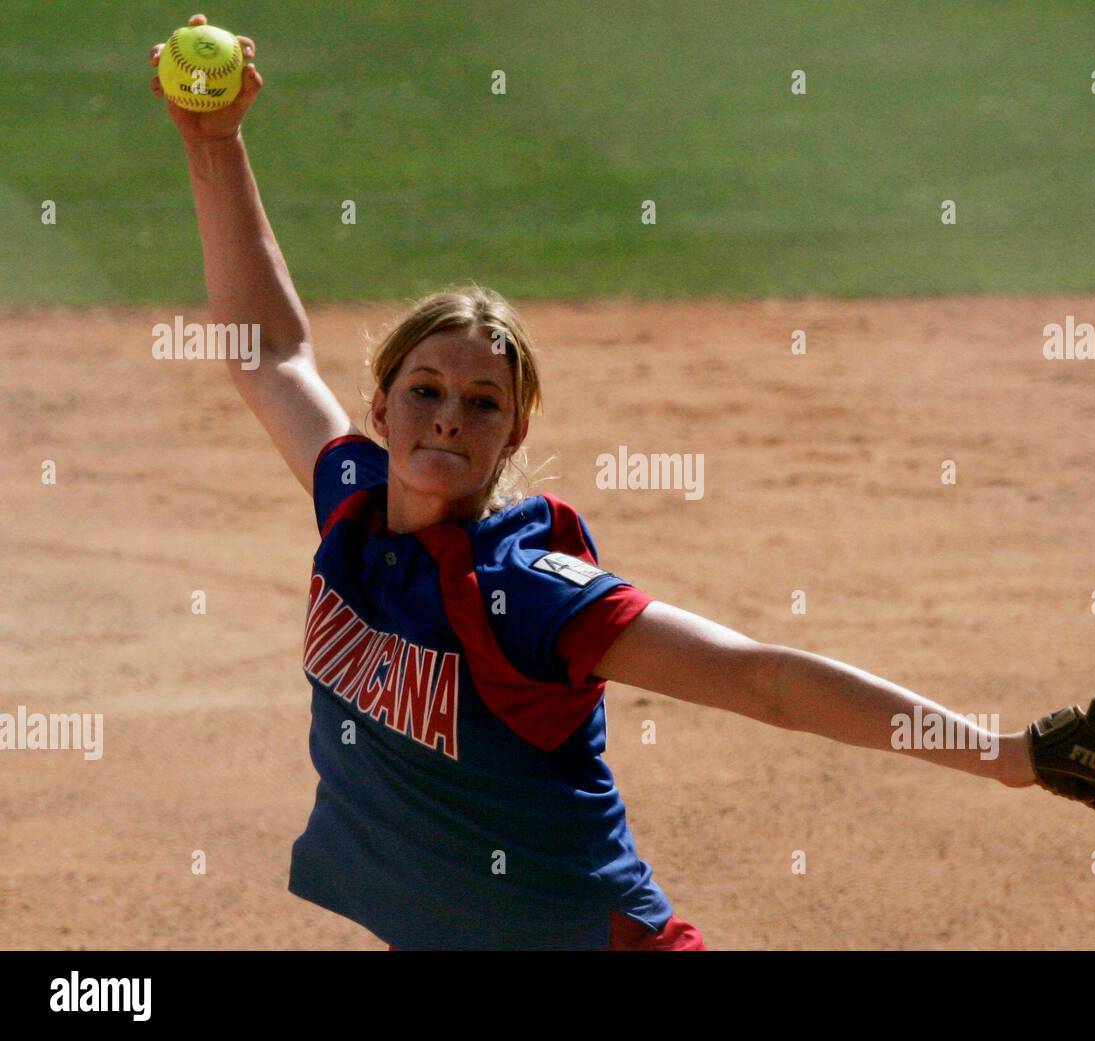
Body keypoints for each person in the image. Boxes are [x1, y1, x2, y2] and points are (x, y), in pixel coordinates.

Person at [151, 14, 1037, 952]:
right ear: (380, 407)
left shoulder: (525, 592)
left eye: (482, 401)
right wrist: (215, 144)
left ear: (514, 430)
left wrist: (1010, 757)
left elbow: (763, 681)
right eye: (425, 389)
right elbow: (272, 354)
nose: (448, 414)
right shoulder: (352, 509)